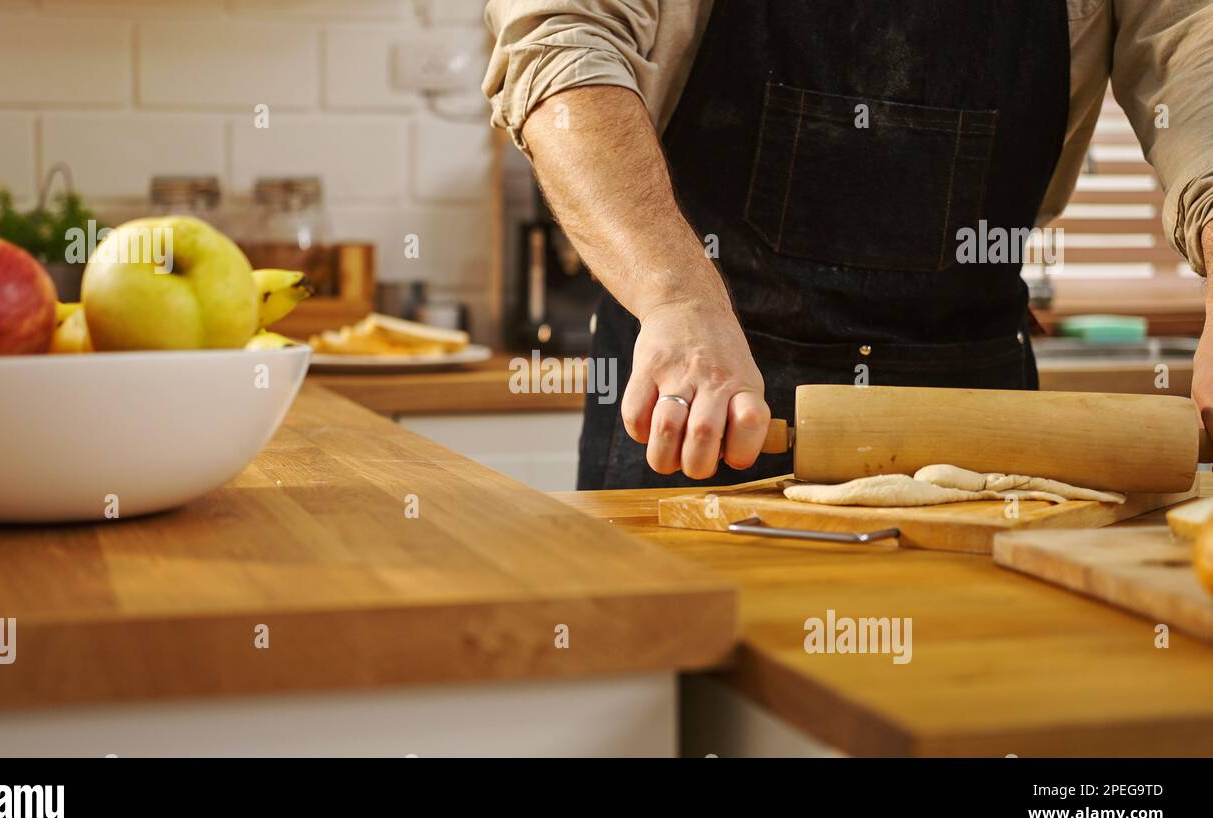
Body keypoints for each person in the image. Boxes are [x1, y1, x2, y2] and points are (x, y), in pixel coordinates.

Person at [482, 0, 1213, 489]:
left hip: (977, 411)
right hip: (707, 393)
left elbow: (1193, 49)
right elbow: (563, 47)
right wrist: (677, 298)